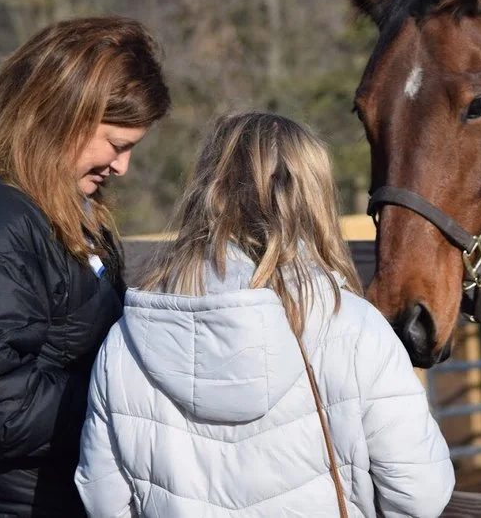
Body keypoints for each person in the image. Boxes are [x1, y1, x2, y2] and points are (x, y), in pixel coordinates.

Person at [75, 111, 455, 517]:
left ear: (205, 192)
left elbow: (103, 500)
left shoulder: (129, 340)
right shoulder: (355, 328)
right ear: (313, 199)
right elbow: (421, 494)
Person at [0, 16, 171, 517]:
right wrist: (121, 406)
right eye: (116, 144)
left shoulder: (63, 208)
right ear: (62, 114)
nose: (121, 167)